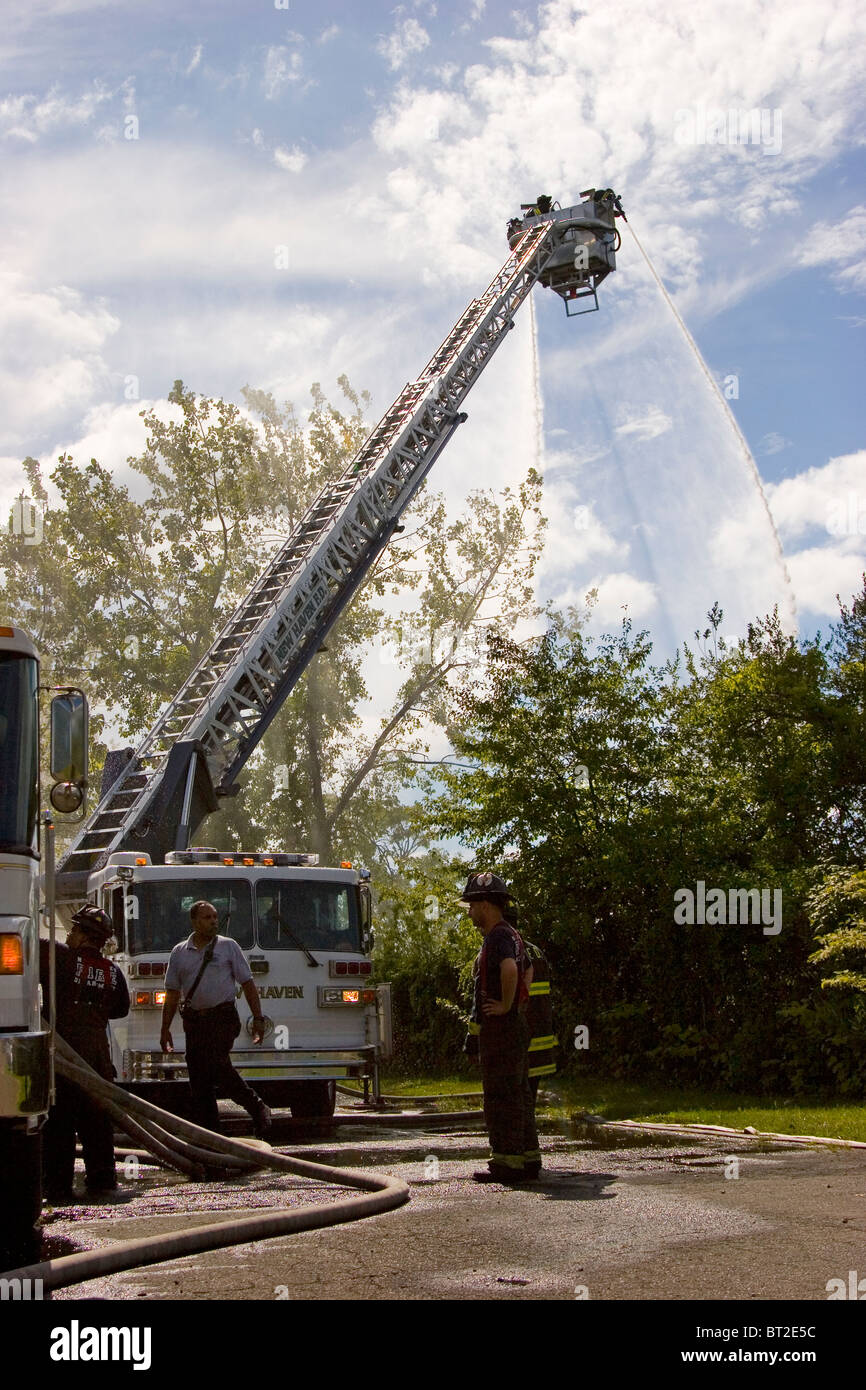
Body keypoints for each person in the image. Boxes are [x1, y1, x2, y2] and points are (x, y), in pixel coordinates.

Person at [39, 904, 130, 1203]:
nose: (69, 933)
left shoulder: (61, 959)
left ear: (83, 935)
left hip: (65, 1060)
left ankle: (58, 1188)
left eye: (74, 929)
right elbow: (120, 1010)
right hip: (98, 1061)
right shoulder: (114, 973)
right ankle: (103, 1183)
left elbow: (28, 944)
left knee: (59, 1125)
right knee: (97, 1125)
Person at [160, 901, 272, 1138]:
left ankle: (257, 1107)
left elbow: (248, 984)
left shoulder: (228, 947)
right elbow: (171, 993)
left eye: (215, 917)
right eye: (207, 917)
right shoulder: (179, 952)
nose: (213, 921)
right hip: (195, 1022)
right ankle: (210, 1135)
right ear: (194, 922)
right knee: (199, 1080)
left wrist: (258, 1018)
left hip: (223, 1018)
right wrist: (165, 1029)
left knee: (218, 1066)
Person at [461, 872, 538, 1184]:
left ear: (486, 905)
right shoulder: (513, 934)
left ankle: (506, 1163)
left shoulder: (496, 938)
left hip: (501, 1029)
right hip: (513, 1026)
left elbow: (509, 968)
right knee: (519, 1094)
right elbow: (528, 968)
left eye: (471, 904)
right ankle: (528, 1157)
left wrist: (506, 1005)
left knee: (500, 1096)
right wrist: (519, 1001)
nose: (468, 911)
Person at [504, 904, 557, 1180]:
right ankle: (529, 1156)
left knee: (518, 1101)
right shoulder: (536, 951)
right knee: (528, 1101)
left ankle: (523, 1159)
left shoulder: (509, 951)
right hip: (540, 1042)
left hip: (522, 1041)